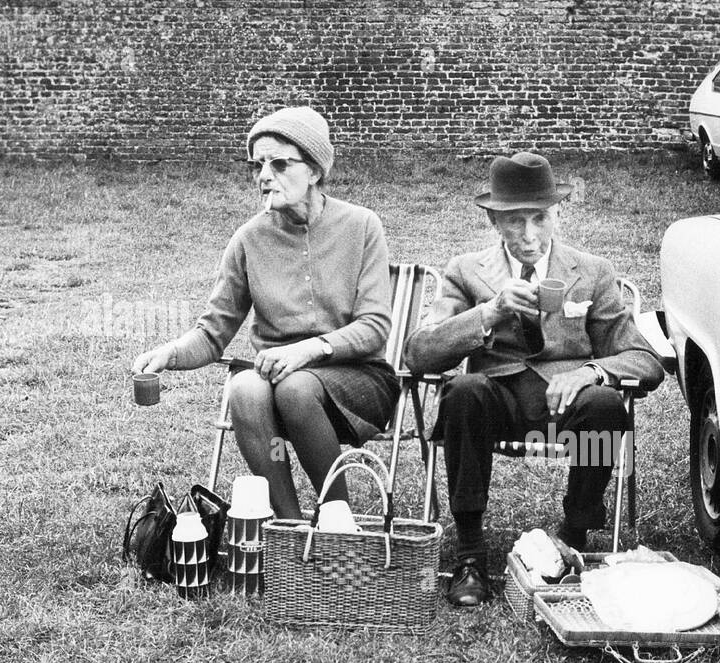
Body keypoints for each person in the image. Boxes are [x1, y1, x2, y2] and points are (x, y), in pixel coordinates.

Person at [405, 151, 664, 607]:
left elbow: (644, 358)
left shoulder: (592, 272)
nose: (530, 236)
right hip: (494, 408)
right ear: (494, 221)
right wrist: (489, 312)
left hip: (567, 415)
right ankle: (469, 554)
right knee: (463, 391)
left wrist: (591, 371)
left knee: (605, 404)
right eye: (515, 222)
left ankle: (572, 539)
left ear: (557, 214)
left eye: (540, 219)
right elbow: (420, 353)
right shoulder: (467, 271)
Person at [132, 106, 398, 519]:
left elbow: (375, 327)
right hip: (277, 383)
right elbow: (213, 332)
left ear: (313, 170)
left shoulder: (362, 226)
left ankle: (337, 518)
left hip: (357, 380)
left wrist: (307, 351)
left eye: (279, 163)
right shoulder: (248, 239)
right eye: (258, 165)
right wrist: (170, 353)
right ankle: (289, 527)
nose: (263, 176)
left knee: (295, 388)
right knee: (244, 388)